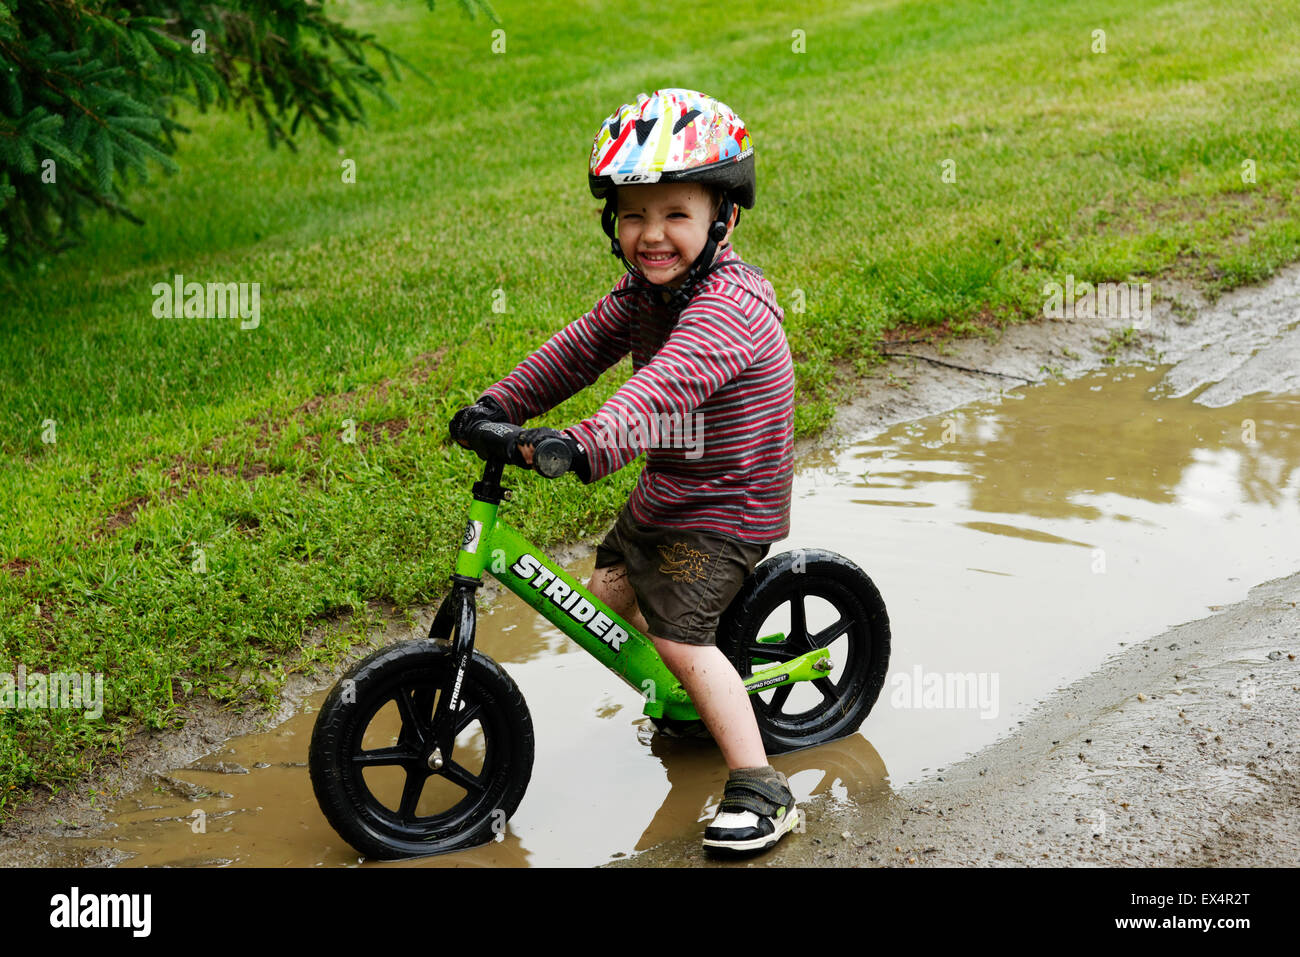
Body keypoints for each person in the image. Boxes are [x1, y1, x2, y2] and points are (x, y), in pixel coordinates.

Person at [449, 89, 798, 852]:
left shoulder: (726, 308)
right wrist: (498, 404)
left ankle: (762, 785)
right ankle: (688, 706)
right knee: (606, 598)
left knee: (678, 638)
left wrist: (585, 444)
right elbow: (578, 349)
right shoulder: (646, 292)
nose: (652, 235)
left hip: (726, 504)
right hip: (668, 491)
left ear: (722, 218)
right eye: (634, 215)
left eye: (675, 214)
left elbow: (659, 389)